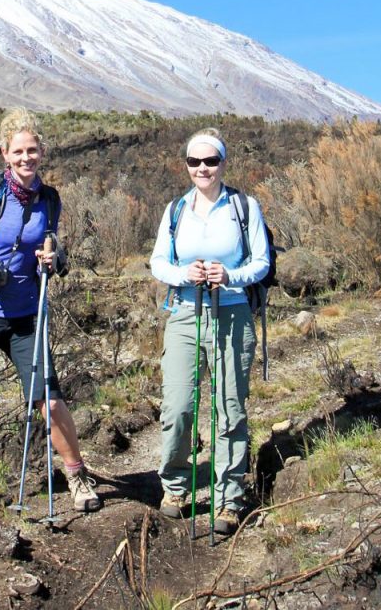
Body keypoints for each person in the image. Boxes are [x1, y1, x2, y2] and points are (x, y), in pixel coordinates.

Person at [0, 109, 100, 539]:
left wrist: (55, 258)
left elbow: (51, 248)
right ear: (4, 153)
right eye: (17, 151)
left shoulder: (49, 199)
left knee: (48, 400)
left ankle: (77, 475)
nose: (26, 158)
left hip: (27, 315)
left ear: (42, 152)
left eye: (32, 150)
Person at [149, 128, 271, 535]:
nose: (203, 168)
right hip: (184, 314)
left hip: (231, 314)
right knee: (178, 406)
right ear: (186, 165)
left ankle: (229, 498)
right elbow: (158, 263)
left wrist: (230, 275)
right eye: (194, 161)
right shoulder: (176, 209)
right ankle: (176, 487)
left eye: (211, 161)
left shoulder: (244, 206)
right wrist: (184, 274)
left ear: (222, 162)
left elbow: (262, 263)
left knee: (229, 408)